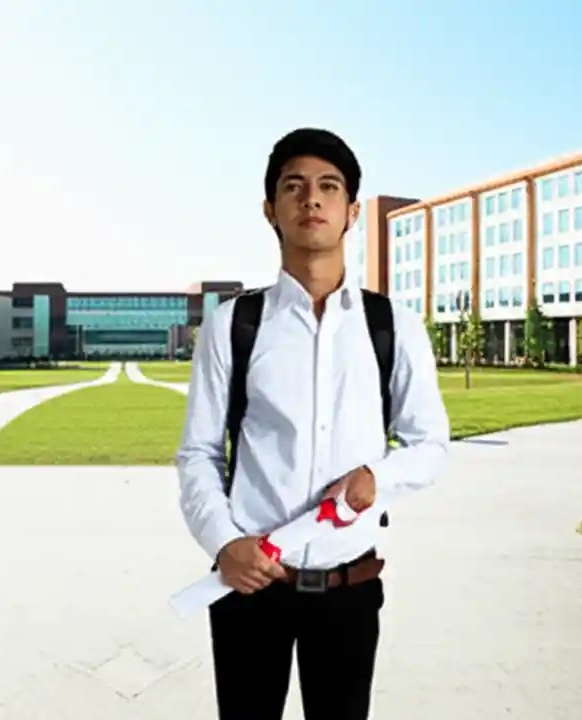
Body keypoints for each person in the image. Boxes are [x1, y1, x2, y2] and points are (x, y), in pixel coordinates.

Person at [175, 128, 451, 719]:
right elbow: (199, 452)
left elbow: (430, 444)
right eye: (293, 187)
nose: (311, 200)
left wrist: (378, 478)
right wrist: (225, 543)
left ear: (352, 211)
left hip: (348, 591)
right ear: (270, 209)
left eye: (328, 187)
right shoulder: (233, 325)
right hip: (250, 588)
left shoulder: (393, 325)